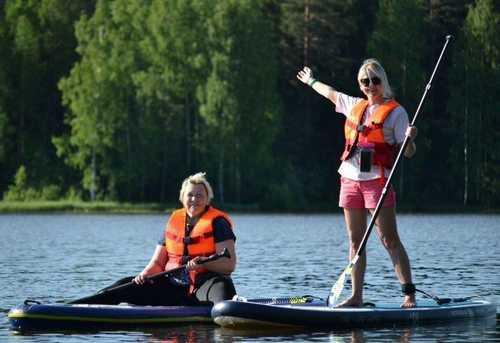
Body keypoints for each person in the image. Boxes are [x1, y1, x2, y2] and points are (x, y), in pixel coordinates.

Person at [297, 59, 418, 308]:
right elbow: (330, 93)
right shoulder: (354, 104)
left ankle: (409, 295)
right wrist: (310, 80)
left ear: (383, 81)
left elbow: (409, 152)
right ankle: (356, 296)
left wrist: (410, 140)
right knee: (356, 241)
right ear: (360, 84)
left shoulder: (396, 112)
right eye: (365, 81)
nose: (370, 85)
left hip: (377, 181)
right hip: (350, 180)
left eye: (375, 80)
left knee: (389, 239)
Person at [73, 172, 237, 306]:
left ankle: (231, 310)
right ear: (182, 197)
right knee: (125, 284)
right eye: (190, 195)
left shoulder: (218, 224)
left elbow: (229, 265)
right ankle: (79, 307)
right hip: (172, 289)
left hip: (205, 284)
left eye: (200, 195)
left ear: (208, 198)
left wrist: (204, 263)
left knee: (223, 288)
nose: (194, 199)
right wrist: (144, 274)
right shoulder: (173, 222)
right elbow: (158, 264)